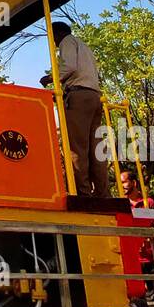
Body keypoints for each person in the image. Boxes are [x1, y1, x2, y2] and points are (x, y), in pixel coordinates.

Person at [46, 21, 112, 198]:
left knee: (77, 147)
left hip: (78, 96)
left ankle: (82, 193)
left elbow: (69, 67)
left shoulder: (67, 42)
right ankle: (103, 193)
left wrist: (51, 78)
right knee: (95, 148)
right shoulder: (84, 46)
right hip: (94, 96)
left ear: (58, 33)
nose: (53, 41)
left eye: (53, 37)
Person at [120, 169, 154, 307]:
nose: (122, 185)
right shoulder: (122, 206)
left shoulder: (148, 202)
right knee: (137, 301)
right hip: (133, 261)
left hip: (150, 258)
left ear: (134, 183)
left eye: (124, 181)